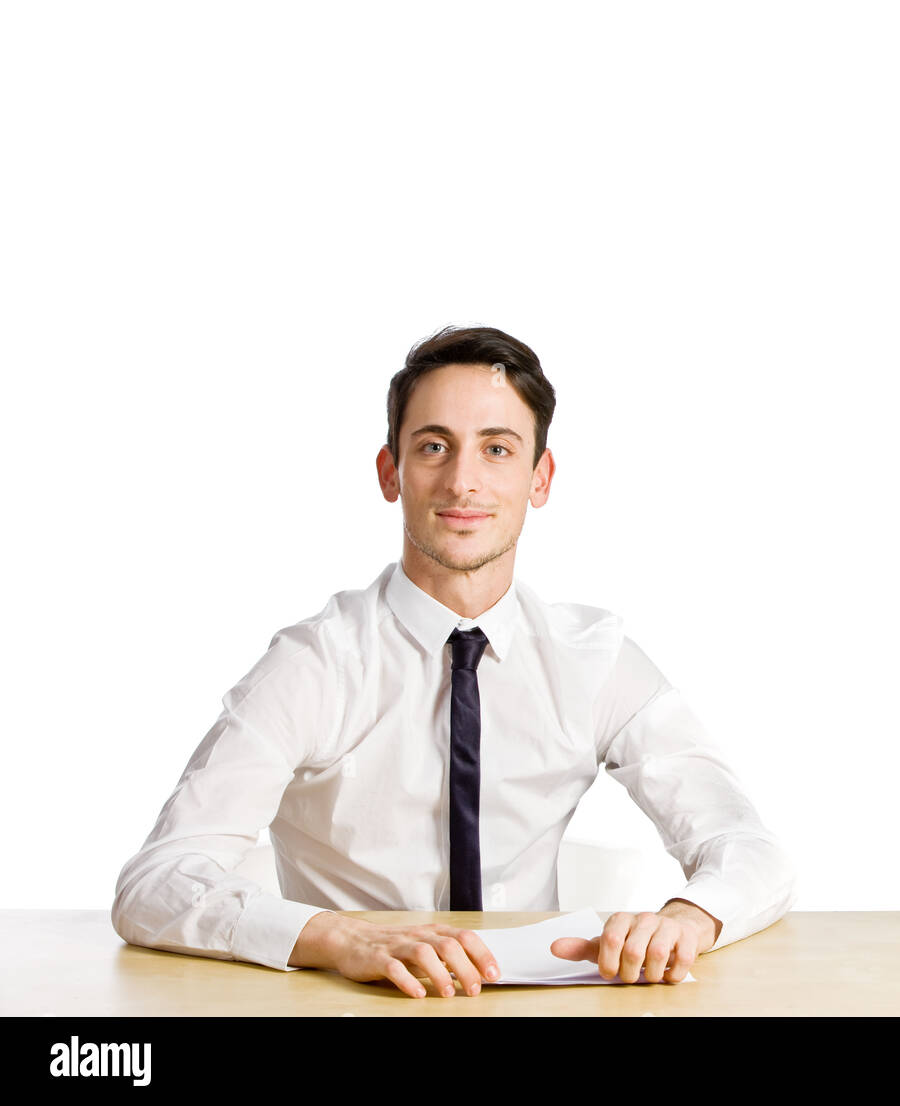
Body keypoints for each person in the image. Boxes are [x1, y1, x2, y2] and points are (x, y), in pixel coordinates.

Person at [111, 325, 796, 998]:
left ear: (540, 477)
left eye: (497, 449)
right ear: (391, 472)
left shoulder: (595, 660)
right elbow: (157, 881)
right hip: (354, 1006)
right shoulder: (315, 664)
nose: (463, 481)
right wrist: (342, 937)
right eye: (434, 446)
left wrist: (691, 916)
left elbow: (748, 847)